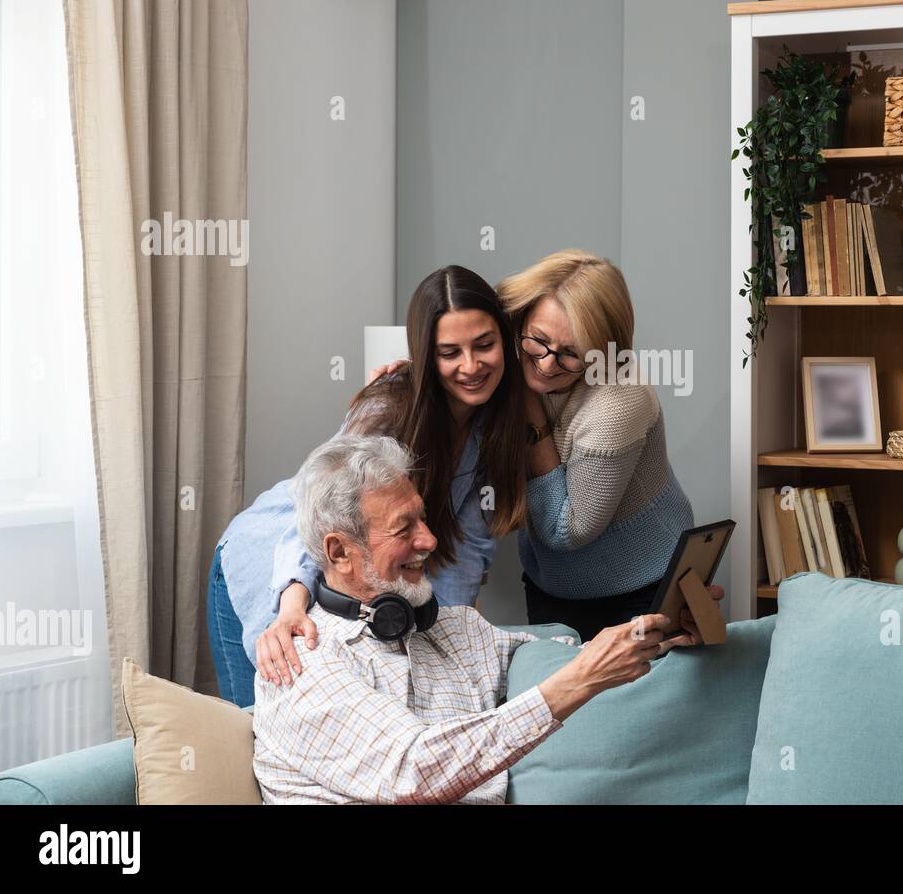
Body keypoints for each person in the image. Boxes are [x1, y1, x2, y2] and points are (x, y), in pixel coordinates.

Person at [252, 434, 692, 804]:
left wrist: (659, 632)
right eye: (404, 529)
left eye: (422, 518)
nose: (428, 540)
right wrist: (577, 682)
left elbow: (564, 658)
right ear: (339, 552)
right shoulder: (300, 664)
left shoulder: (456, 628)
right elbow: (415, 770)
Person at [207, 266, 528, 707]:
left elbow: (466, 552)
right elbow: (319, 520)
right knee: (264, 723)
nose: (470, 366)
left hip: (333, 560)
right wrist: (290, 606)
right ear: (426, 355)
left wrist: (454, 642)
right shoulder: (388, 406)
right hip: (276, 559)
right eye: (449, 352)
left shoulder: (495, 425)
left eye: (484, 345)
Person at [497, 250, 703, 640]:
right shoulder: (511, 357)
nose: (545, 365)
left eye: (571, 353)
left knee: (630, 701)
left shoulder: (619, 401)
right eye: (538, 341)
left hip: (640, 587)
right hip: (550, 583)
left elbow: (567, 530)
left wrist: (533, 421)